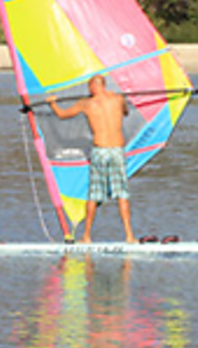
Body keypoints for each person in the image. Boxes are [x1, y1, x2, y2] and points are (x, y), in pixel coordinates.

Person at [48, 76, 134, 244]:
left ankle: (87, 236)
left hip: (101, 151)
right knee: (121, 193)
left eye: (89, 87)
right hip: (117, 150)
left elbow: (62, 115)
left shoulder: (85, 104)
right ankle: (129, 236)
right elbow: (125, 112)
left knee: (95, 195)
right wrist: (117, 102)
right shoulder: (118, 99)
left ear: (92, 87)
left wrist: (52, 103)